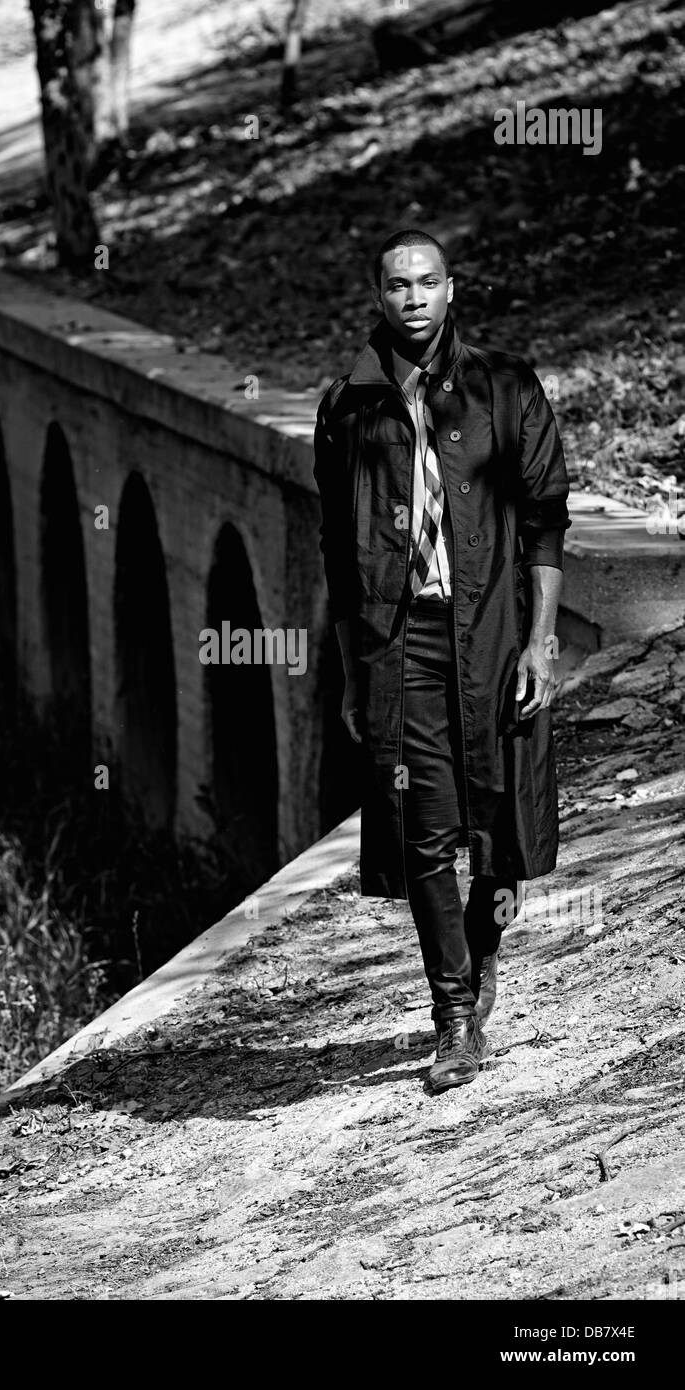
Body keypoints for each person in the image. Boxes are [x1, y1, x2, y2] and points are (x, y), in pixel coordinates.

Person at [313, 229, 571, 1094]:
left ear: (451, 290)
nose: (413, 297)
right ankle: (454, 1017)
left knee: (497, 816)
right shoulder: (349, 406)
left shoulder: (505, 387)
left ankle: (482, 940)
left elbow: (544, 519)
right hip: (401, 639)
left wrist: (539, 640)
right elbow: (335, 553)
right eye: (397, 284)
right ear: (378, 296)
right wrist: (352, 671)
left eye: (427, 282)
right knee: (423, 825)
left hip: (492, 626)